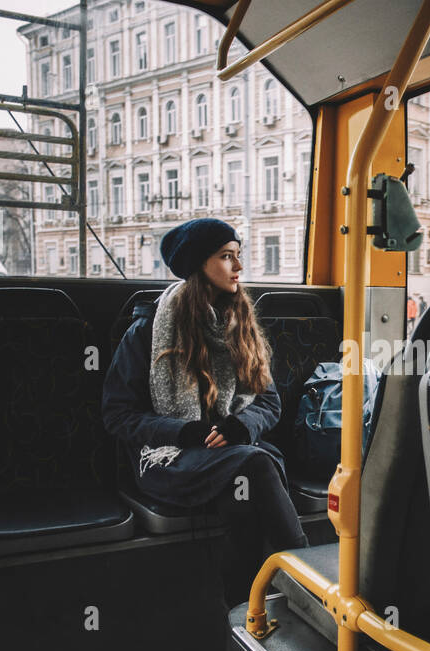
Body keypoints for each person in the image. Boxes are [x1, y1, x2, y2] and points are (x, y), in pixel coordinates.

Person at [102, 217, 307, 606]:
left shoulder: (239, 326)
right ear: (200, 264)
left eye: (238, 256)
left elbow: (268, 401)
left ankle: (242, 615)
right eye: (227, 257)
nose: (239, 267)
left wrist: (240, 426)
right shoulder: (147, 331)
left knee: (240, 496)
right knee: (257, 466)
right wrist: (185, 433)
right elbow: (118, 415)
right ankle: (307, 590)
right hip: (168, 458)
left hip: (230, 455)